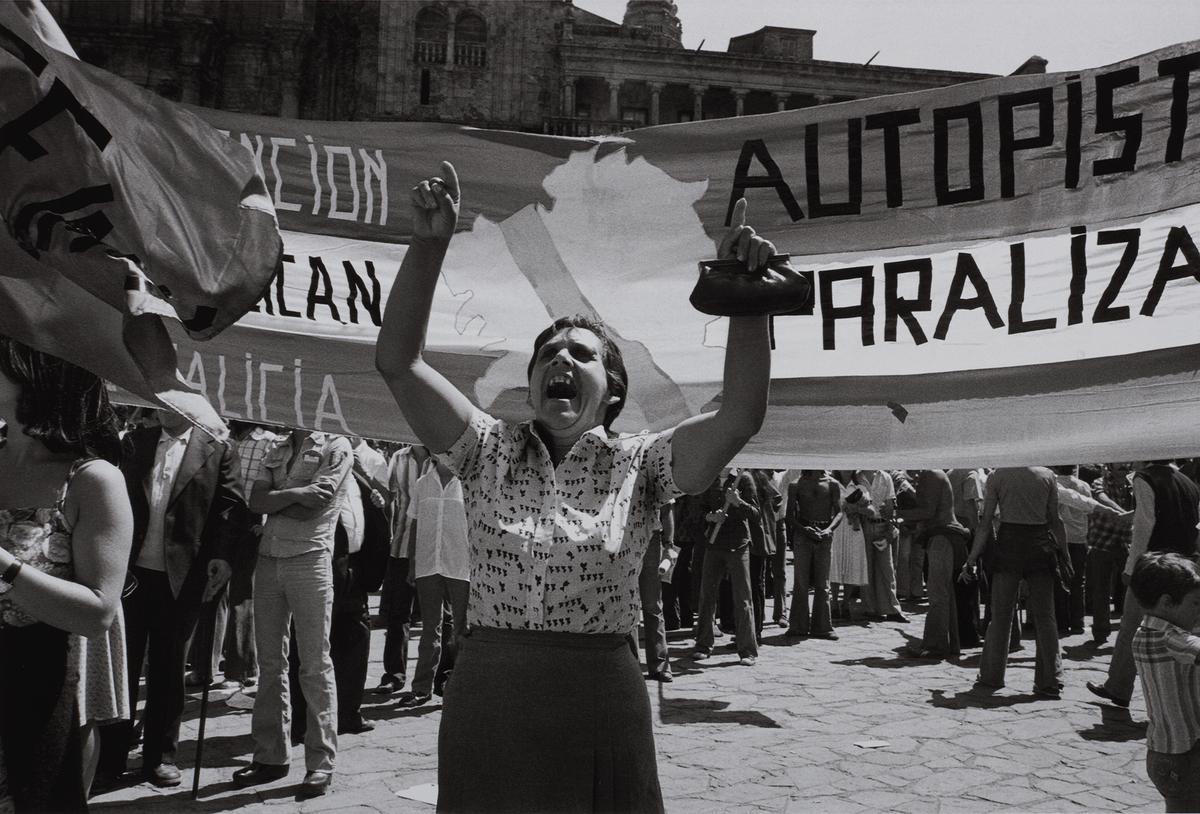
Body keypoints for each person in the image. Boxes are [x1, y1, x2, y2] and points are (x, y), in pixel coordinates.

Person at [374, 162, 771, 812]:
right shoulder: (482, 449)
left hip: (599, 704)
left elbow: (739, 417)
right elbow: (398, 362)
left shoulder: (643, 466)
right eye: (548, 353)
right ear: (530, 383)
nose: (561, 357)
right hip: (489, 702)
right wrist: (429, 245)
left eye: (582, 353)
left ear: (613, 391)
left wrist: (746, 295)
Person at [0, 337, 133, 811]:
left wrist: (5, 565)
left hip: (32, 686)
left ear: (38, 373)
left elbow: (96, 611)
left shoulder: (92, 479)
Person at [102, 409, 242, 788]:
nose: (163, 408)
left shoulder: (217, 450)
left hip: (183, 576)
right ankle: (110, 756)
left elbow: (229, 509)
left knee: (168, 669)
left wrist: (222, 556)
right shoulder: (135, 443)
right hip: (130, 574)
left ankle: (160, 757)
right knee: (123, 666)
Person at [234, 430, 354, 798]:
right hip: (269, 560)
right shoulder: (277, 446)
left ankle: (320, 763)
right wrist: (291, 495)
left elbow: (317, 502)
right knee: (270, 664)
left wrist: (276, 498)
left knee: (315, 665)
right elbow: (254, 501)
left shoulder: (336, 445)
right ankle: (270, 755)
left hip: (310, 559)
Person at [1089, 460, 1200, 709]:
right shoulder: (1187, 482)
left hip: (1155, 566)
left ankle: (1118, 686)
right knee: (1183, 629)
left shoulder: (1146, 478)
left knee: (1131, 626)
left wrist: (1132, 568)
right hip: (1184, 565)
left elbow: (1144, 525)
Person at [963, 466, 1069, 699]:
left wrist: (972, 557)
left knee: (1000, 615)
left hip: (1009, 545)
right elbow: (1055, 520)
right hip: (1041, 546)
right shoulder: (1047, 475)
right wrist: (1065, 555)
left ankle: (991, 675)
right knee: (1045, 617)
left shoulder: (998, 475)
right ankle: (1050, 680)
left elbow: (986, 521)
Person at [1128, 552, 1200, 813]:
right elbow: (1188, 644)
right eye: (1195, 604)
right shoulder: (1174, 640)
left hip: (1161, 752)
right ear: (1167, 602)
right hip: (1187, 754)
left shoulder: (1143, 633)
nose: (1199, 611)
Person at [397, 454, 470, 707]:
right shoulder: (422, 483)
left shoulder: (468, 480)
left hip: (460, 565)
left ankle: (459, 687)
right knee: (430, 629)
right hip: (428, 564)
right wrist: (412, 562)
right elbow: (415, 524)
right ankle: (421, 688)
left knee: (461, 628)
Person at [899, 469, 969, 659]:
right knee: (945, 594)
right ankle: (950, 645)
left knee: (938, 594)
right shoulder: (930, 475)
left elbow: (927, 511)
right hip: (942, 537)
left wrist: (898, 513)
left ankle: (935, 646)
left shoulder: (931, 474)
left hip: (943, 538)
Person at [693, 470, 761, 665]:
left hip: (738, 544)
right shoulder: (709, 478)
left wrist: (739, 501)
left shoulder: (744, 479)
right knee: (707, 596)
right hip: (713, 544)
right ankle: (703, 645)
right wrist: (710, 517)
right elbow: (697, 510)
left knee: (742, 598)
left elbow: (756, 514)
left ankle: (747, 650)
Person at [785, 470, 840, 640]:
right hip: (803, 534)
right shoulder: (796, 484)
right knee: (801, 582)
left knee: (823, 583)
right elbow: (789, 515)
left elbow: (839, 512)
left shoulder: (832, 484)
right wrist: (803, 529)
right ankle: (798, 626)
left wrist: (829, 529)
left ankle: (823, 627)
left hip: (824, 535)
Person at [828, 470, 870, 621]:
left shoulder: (859, 487)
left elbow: (871, 510)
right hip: (837, 528)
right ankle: (833, 603)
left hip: (853, 529)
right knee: (835, 564)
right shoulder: (831, 484)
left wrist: (857, 508)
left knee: (851, 566)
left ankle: (845, 604)